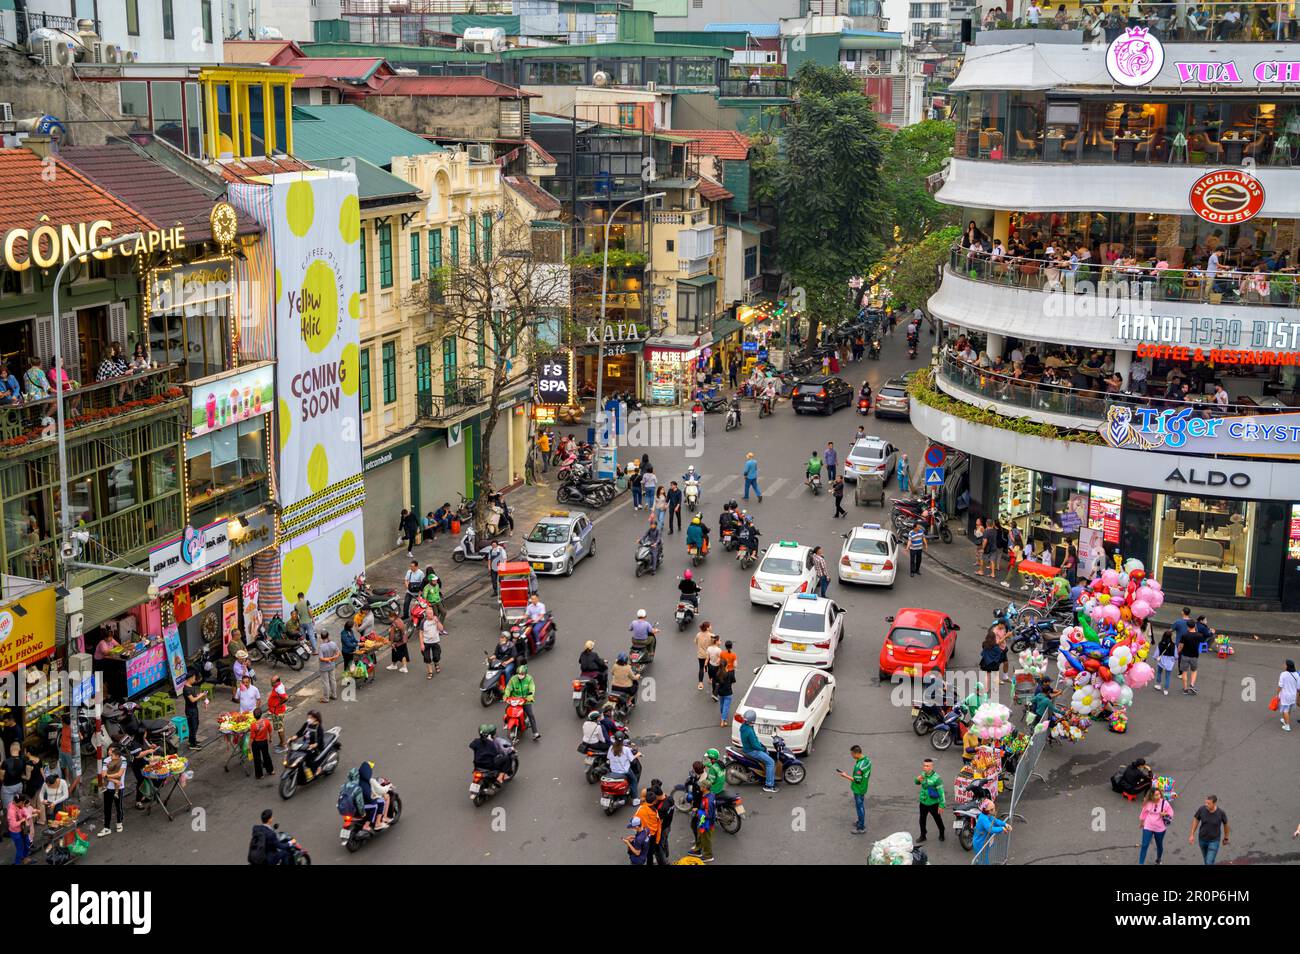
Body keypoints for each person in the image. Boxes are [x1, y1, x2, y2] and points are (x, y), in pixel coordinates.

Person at [739, 710, 777, 793]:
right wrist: (763, 748)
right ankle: (769, 785)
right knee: (771, 762)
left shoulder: (744, 726)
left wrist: (761, 745)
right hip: (752, 751)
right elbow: (754, 745)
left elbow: (754, 741)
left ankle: (766, 775)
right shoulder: (749, 731)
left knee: (767, 756)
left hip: (747, 748)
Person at [837, 744, 872, 834]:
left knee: (859, 807)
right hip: (864, 787)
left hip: (858, 789)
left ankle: (861, 827)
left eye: (852, 754)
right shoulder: (867, 760)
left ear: (856, 754)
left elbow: (856, 780)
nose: (851, 756)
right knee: (861, 805)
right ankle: (860, 822)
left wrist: (845, 775)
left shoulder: (858, 767)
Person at [504, 663, 540, 741]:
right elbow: (508, 688)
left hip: (526, 700)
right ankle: (507, 723)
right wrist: (506, 695)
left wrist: (530, 695)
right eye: (519, 674)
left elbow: (532, 688)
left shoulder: (529, 679)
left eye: (522, 674)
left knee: (530, 715)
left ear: (525, 674)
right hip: (515, 700)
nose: (520, 675)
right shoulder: (513, 679)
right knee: (506, 710)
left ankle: (535, 733)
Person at [1138, 785, 1174, 865]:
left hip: (1160, 828)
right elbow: (1144, 813)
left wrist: (1164, 813)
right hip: (1148, 826)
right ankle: (1141, 863)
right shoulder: (1148, 803)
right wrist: (1141, 823)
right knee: (1144, 845)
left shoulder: (1165, 803)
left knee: (1159, 845)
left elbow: (1171, 813)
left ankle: (1158, 859)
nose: (1158, 796)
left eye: (1159, 794)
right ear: (1151, 795)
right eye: (1156, 795)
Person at [1189, 795, 1229, 865]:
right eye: (1206, 803)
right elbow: (1196, 820)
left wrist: (1226, 838)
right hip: (1202, 840)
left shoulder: (1221, 813)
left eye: (1208, 803)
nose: (1206, 805)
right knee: (1206, 859)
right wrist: (1192, 834)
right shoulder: (1202, 809)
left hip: (1214, 841)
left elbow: (1226, 825)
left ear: (1214, 803)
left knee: (1208, 862)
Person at [286, 711, 325, 780]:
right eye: (308, 717)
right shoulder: (307, 724)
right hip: (305, 745)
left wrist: (314, 745)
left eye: (310, 717)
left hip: (316, 747)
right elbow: (300, 732)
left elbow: (319, 739)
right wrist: (292, 738)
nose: (308, 719)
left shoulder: (319, 728)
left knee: (308, 759)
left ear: (315, 718)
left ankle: (318, 768)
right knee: (295, 752)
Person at [1172, 606, 1202, 695]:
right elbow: (1201, 644)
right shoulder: (1199, 635)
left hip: (1185, 655)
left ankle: (1185, 689)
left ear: (1188, 626)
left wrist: (1177, 653)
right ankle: (1192, 685)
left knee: (1184, 672)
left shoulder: (1184, 635)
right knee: (1194, 671)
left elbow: (1181, 646)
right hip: (1194, 656)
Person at [97, 747, 127, 837]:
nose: (110, 752)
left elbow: (119, 774)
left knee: (119, 807)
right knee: (107, 808)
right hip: (108, 788)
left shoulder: (123, 760)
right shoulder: (106, 760)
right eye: (109, 750)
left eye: (112, 750)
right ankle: (106, 828)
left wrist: (108, 776)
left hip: (119, 788)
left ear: (117, 754)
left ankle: (119, 823)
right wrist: (115, 781)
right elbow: (103, 774)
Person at [916, 758, 946, 843]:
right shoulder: (923, 774)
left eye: (927, 766)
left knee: (937, 819)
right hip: (923, 802)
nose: (925, 767)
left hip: (933, 803)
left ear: (931, 767)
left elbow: (941, 792)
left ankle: (942, 832)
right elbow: (917, 783)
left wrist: (941, 805)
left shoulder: (937, 778)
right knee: (922, 819)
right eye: (924, 765)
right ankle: (923, 835)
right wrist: (917, 779)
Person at [607, 736, 641, 804]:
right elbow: (632, 760)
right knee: (633, 780)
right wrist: (637, 755)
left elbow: (608, 757)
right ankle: (635, 800)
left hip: (613, 771)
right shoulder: (626, 749)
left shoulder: (611, 748)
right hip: (625, 771)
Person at [689, 785, 717, 862]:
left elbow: (708, 815)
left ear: (705, 788)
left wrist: (698, 811)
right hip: (703, 821)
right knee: (700, 835)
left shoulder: (709, 800)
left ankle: (708, 855)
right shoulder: (709, 795)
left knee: (706, 839)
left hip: (706, 823)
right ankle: (698, 850)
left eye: (701, 786)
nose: (700, 787)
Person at [182, 671, 209, 751]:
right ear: (190, 678)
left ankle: (191, 740)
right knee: (193, 726)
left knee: (195, 724)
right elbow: (192, 700)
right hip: (190, 710)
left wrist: (200, 695)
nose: (195, 679)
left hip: (194, 709)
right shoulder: (186, 689)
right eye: (194, 678)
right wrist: (200, 695)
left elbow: (194, 697)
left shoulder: (190, 687)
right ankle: (192, 744)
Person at [249, 707, 275, 781]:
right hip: (264, 742)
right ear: (261, 714)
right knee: (266, 756)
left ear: (254, 716)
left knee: (257, 759)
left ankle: (259, 775)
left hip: (256, 743)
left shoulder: (253, 725)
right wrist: (270, 738)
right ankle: (271, 770)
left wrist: (249, 745)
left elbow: (252, 737)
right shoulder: (266, 722)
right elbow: (270, 730)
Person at [7, 793, 33, 864]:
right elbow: (13, 824)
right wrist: (22, 820)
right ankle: (17, 862)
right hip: (15, 832)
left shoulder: (19, 805)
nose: (24, 804)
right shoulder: (11, 811)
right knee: (20, 848)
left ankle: (25, 859)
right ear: (21, 802)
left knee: (27, 843)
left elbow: (24, 810)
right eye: (23, 802)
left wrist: (27, 815)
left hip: (23, 829)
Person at [265, 674, 289, 751]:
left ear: (277, 682)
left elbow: (286, 697)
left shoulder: (279, 688)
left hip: (277, 711)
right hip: (277, 710)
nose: (271, 683)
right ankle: (281, 742)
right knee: (280, 727)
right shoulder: (279, 685)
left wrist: (279, 703)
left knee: (280, 729)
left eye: (272, 682)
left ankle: (283, 745)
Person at [421, 611, 446, 678]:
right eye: (429, 614)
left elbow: (441, 629)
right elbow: (421, 633)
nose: (431, 615)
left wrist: (437, 622)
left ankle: (436, 664)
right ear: (426, 615)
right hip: (426, 642)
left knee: (436, 656)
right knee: (427, 658)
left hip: (435, 642)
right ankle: (430, 672)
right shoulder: (423, 622)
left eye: (432, 613)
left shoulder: (436, 619)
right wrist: (421, 644)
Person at [318, 630, 340, 702]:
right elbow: (338, 653)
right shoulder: (333, 644)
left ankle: (326, 698)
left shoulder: (321, 647)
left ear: (321, 638)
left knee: (326, 682)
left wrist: (329, 659)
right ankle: (334, 695)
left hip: (324, 667)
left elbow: (321, 658)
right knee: (333, 680)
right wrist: (333, 658)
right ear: (328, 636)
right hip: (332, 665)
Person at [1279, 660, 1300, 731]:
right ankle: (1284, 719)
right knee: (1289, 708)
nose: (1283, 665)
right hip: (1293, 695)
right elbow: (1298, 687)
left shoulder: (1283, 674)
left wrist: (1277, 694)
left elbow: (1280, 685)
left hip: (1285, 695)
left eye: (1285, 664)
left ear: (1287, 666)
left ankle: (1287, 725)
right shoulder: (1296, 675)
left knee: (1285, 709)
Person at [715, 653, 735, 727]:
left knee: (722, 705)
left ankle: (724, 718)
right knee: (726, 706)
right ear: (727, 665)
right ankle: (723, 720)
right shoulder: (730, 674)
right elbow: (733, 681)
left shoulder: (718, 674)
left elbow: (717, 683)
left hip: (721, 692)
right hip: (728, 692)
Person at [1154, 629, 1176, 695]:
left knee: (1159, 672)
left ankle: (1158, 685)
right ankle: (1166, 690)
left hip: (1161, 660)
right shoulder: (1173, 645)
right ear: (1171, 637)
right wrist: (1175, 659)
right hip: (1169, 662)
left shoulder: (1160, 643)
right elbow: (1176, 655)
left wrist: (1155, 658)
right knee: (1168, 676)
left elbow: (1157, 653)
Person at [694, 621, 714, 691]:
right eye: (710, 626)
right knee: (710, 667)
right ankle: (710, 679)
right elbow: (715, 645)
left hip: (701, 655)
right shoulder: (712, 636)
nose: (711, 627)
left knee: (701, 668)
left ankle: (700, 683)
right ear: (707, 628)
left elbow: (695, 642)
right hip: (709, 655)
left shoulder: (698, 634)